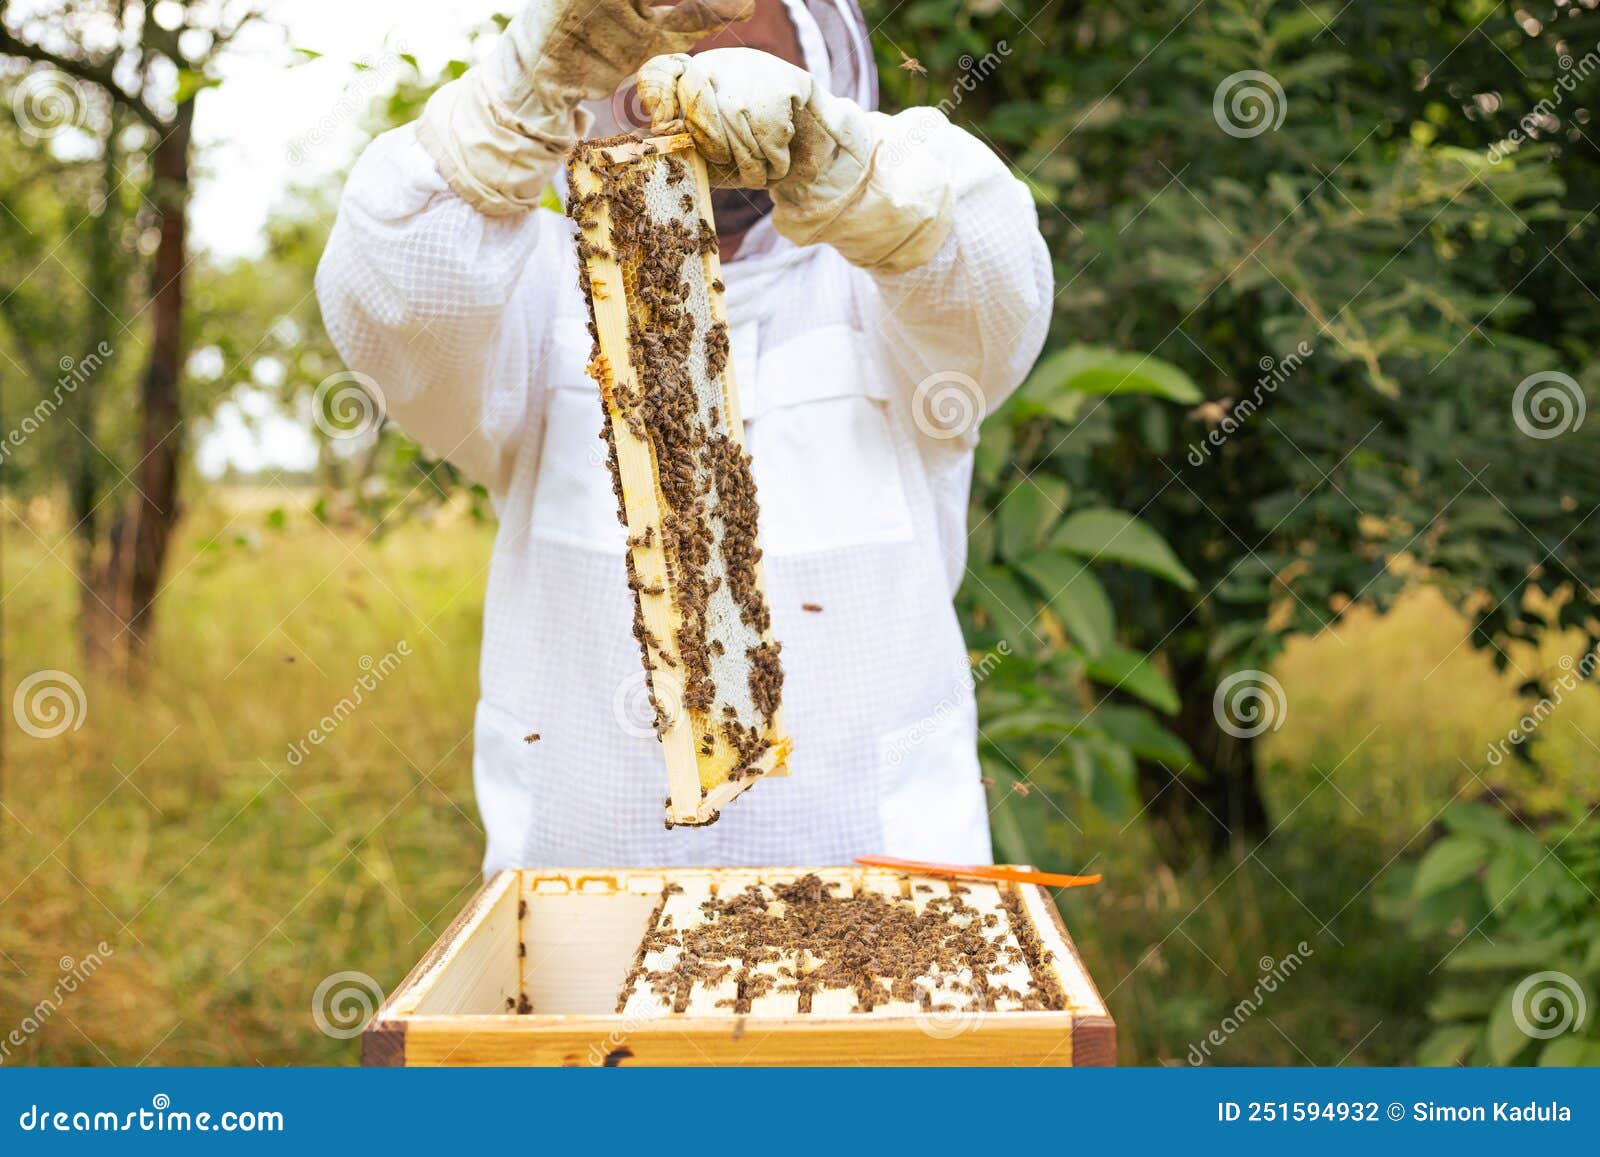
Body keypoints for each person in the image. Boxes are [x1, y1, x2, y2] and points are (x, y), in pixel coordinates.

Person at [315, 0, 1052, 873]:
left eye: (734, 18)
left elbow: (996, 289)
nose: (700, 56)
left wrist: (851, 173)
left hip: (892, 910)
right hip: (577, 909)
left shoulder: (884, 287)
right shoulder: (541, 285)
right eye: (669, 29)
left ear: (815, 50)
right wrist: (510, 110)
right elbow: (393, 307)